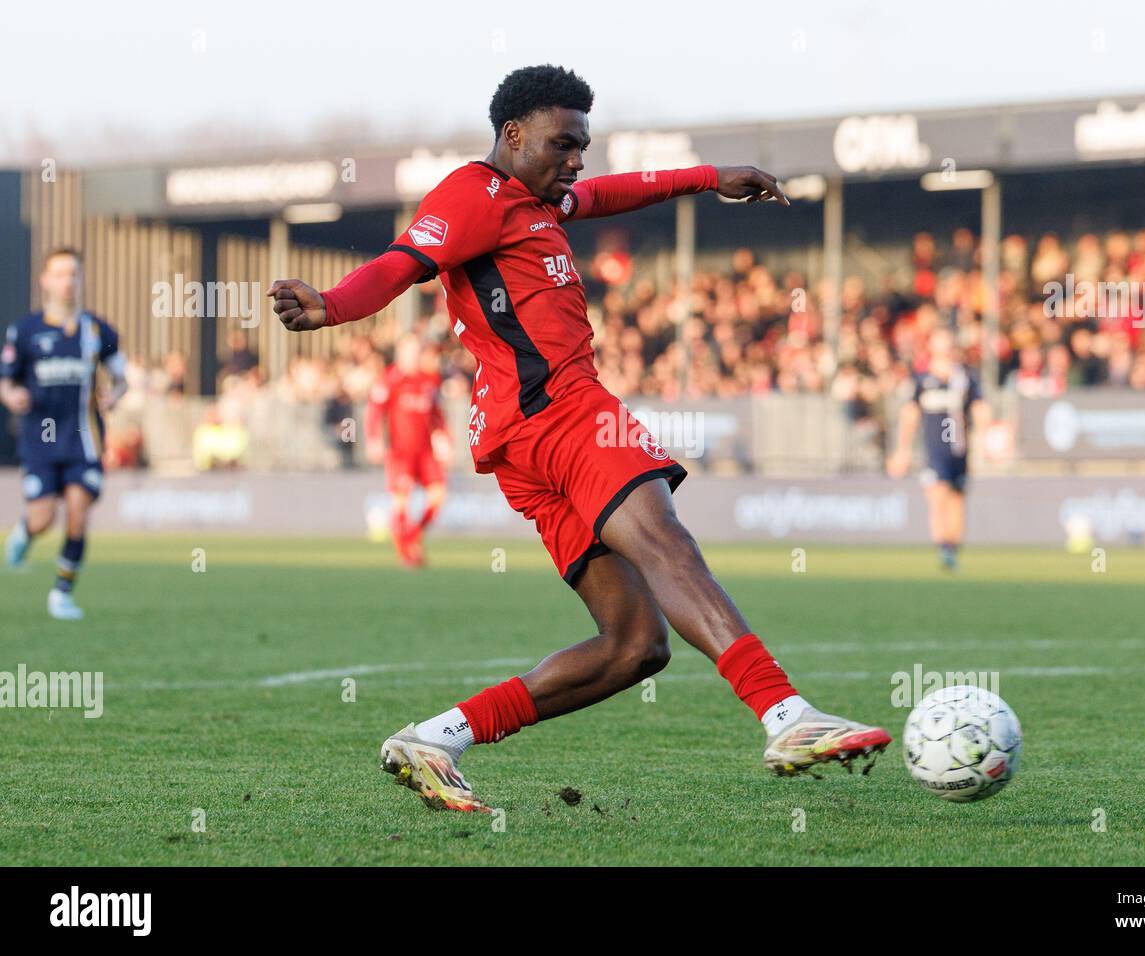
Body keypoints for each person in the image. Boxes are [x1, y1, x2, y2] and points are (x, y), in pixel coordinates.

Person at [268, 64, 891, 812]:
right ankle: (785, 716)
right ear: (513, 134)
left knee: (634, 646)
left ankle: (436, 738)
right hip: (562, 411)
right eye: (564, 143)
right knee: (665, 540)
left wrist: (708, 178)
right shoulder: (475, 195)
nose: (577, 159)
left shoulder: (540, 200)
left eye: (583, 145)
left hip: (518, 440)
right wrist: (330, 306)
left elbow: (612, 191)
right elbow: (405, 262)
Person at [1, 248, 127, 620]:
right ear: (45, 280)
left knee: (77, 511)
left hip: (83, 439)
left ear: (81, 279)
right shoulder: (24, 331)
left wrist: (114, 395)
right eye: (59, 274)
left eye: (73, 273)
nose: (67, 281)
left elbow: (121, 379)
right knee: (43, 519)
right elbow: (6, 382)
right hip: (40, 440)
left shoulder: (97, 330)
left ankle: (62, 593)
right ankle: (25, 532)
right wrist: (12, 396)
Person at [887, 327, 990, 571]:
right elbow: (910, 415)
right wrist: (902, 449)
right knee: (937, 496)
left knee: (956, 500)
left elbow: (980, 407)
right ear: (932, 347)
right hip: (934, 452)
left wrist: (986, 438)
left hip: (959, 451)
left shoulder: (965, 378)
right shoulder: (923, 381)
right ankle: (943, 548)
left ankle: (952, 549)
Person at [366, 333, 450, 567]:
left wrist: (443, 437)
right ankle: (406, 553)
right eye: (409, 351)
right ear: (400, 353)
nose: (413, 356)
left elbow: (437, 415)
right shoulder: (391, 379)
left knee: (439, 496)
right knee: (402, 500)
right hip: (400, 452)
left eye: (416, 351)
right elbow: (374, 411)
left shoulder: (429, 380)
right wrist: (373, 438)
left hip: (425, 452)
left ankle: (412, 538)